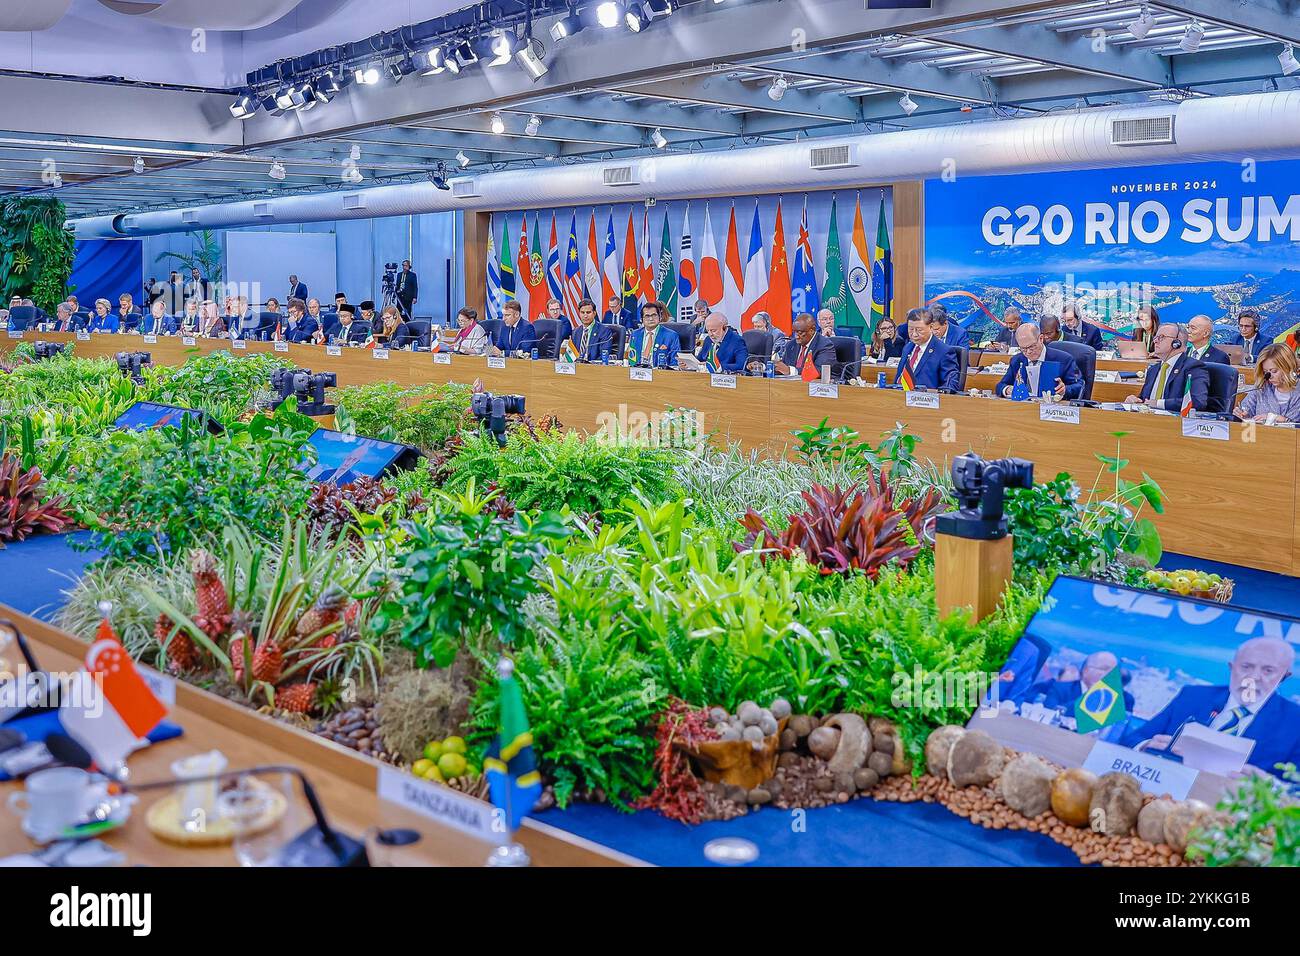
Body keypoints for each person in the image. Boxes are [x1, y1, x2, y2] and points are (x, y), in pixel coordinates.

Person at [1121, 637, 1300, 778]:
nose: (1254, 677)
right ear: (1232, 667)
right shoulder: (1192, 696)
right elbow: (1132, 739)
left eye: (1268, 671)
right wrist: (1146, 745)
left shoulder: (1295, 722)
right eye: (1246, 667)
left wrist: (1269, 785)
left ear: (1284, 677)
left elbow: (1294, 788)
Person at [1125, 322, 1210, 412]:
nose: (1155, 341)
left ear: (1177, 343)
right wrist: (1135, 400)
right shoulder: (1153, 370)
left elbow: (1197, 402)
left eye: (1162, 337)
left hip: (1174, 419)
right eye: (1155, 337)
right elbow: (1145, 400)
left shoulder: (1193, 367)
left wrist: (1159, 404)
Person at [1026, 652, 1136, 716]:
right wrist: (1091, 697)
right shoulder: (1060, 688)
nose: (1110, 675)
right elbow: (1051, 713)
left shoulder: (1121, 699)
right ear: (1086, 670)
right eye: (1105, 669)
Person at [995, 323, 1084, 400]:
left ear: (1041, 339)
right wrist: (1007, 389)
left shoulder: (1064, 359)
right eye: (1023, 348)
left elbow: (1080, 386)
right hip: (1024, 408)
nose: (1028, 352)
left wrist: (1065, 390)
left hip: (1052, 409)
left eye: (1031, 346)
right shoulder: (1017, 360)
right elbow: (1000, 385)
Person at [895, 307, 960, 391]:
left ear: (931, 327)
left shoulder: (944, 351)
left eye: (919, 330)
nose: (914, 334)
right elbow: (898, 378)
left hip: (925, 397)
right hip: (899, 395)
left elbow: (950, 387)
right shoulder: (908, 347)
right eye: (911, 329)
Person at [1238, 343, 1300, 423]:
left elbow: (1295, 424)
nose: (1269, 376)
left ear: (1288, 367)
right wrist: (1243, 414)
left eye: (1274, 371)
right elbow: (1247, 409)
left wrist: (1275, 418)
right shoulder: (1262, 386)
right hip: (1257, 431)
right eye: (1265, 372)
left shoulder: (1298, 392)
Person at [775, 313, 836, 379]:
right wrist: (775, 367)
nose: (797, 336)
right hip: (790, 384)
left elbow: (818, 371)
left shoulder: (825, 345)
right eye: (795, 332)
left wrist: (790, 371)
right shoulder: (791, 344)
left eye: (800, 333)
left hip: (815, 384)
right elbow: (783, 368)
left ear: (811, 331)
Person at [626, 301, 681, 368]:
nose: (651, 319)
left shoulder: (671, 335)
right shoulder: (635, 334)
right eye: (647, 316)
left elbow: (675, 363)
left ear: (660, 317)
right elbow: (631, 359)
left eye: (654, 315)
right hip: (638, 371)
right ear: (641, 320)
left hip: (660, 372)